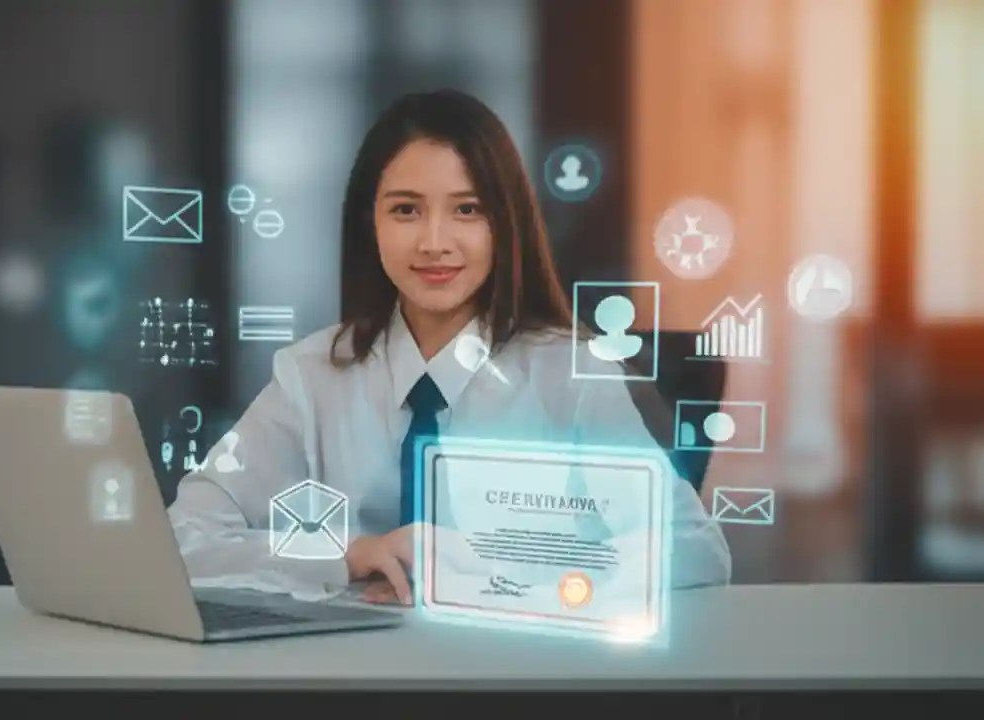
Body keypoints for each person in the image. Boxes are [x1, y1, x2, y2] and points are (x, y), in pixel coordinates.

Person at [167, 89, 731, 606]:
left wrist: (497, 569)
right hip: (354, 675)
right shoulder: (312, 376)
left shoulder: (572, 375)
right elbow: (183, 538)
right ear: (371, 224)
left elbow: (694, 550)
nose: (435, 243)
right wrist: (343, 554)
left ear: (503, 224)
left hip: (529, 675)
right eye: (406, 210)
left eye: (468, 210)